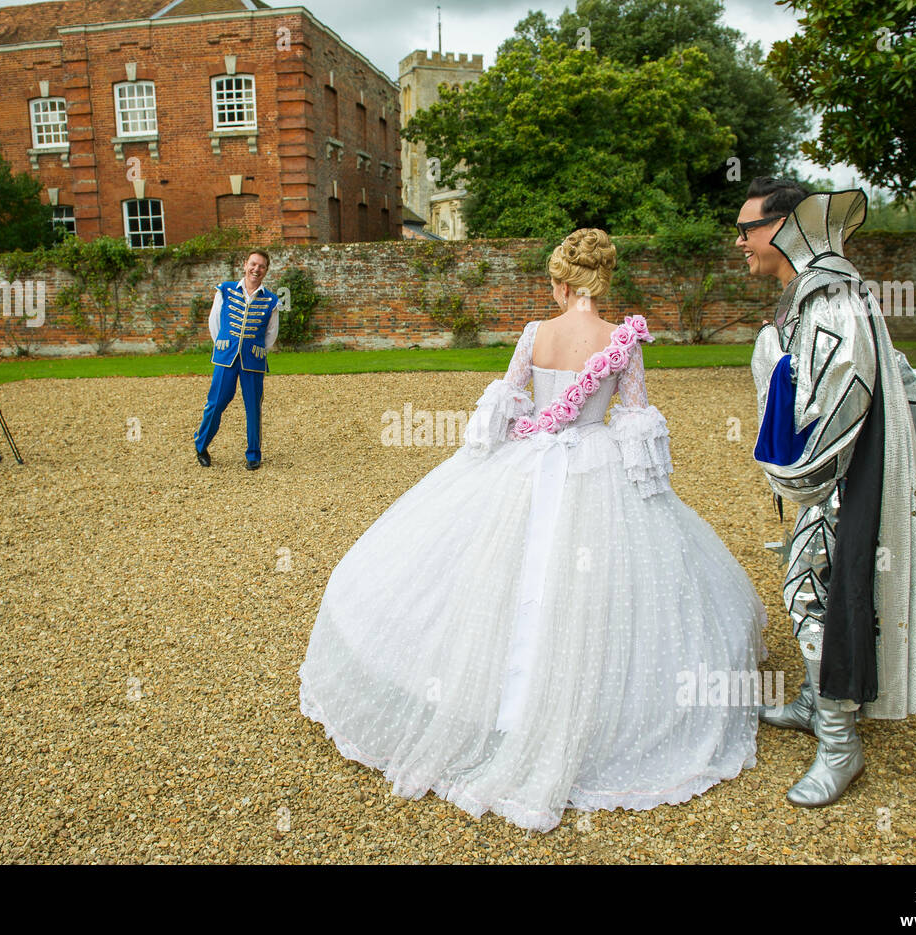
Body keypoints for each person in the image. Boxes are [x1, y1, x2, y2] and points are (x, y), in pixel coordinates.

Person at [298, 228, 769, 832]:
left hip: (530, 463)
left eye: (553, 282)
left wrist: (493, 451)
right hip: (598, 467)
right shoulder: (620, 340)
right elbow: (635, 417)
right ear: (602, 282)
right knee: (594, 594)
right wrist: (647, 486)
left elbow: (502, 407)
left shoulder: (536, 333)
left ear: (564, 283)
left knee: (503, 579)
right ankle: (584, 719)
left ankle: (490, 711)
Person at [738, 179, 916, 807]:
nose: (740, 243)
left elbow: (840, 403)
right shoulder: (813, 293)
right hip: (837, 483)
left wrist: (798, 478)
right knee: (817, 585)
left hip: (845, 482)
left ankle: (838, 743)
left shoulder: (829, 298)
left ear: (779, 227)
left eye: (746, 229)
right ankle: (815, 702)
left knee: (807, 587)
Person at [194, 250, 279, 471]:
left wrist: (252, 349)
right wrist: (227, 344)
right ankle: (201, 445)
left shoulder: (271, 300)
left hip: (253, 360)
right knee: (216, 403)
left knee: (253, 408)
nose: (256, 269)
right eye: (253, 264)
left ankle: (253, 454)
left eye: (261, 266)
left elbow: (271, 335)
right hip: (226, 358)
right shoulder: (225, 290)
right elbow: (215, 323)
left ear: (266, 270)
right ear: (245, 265)